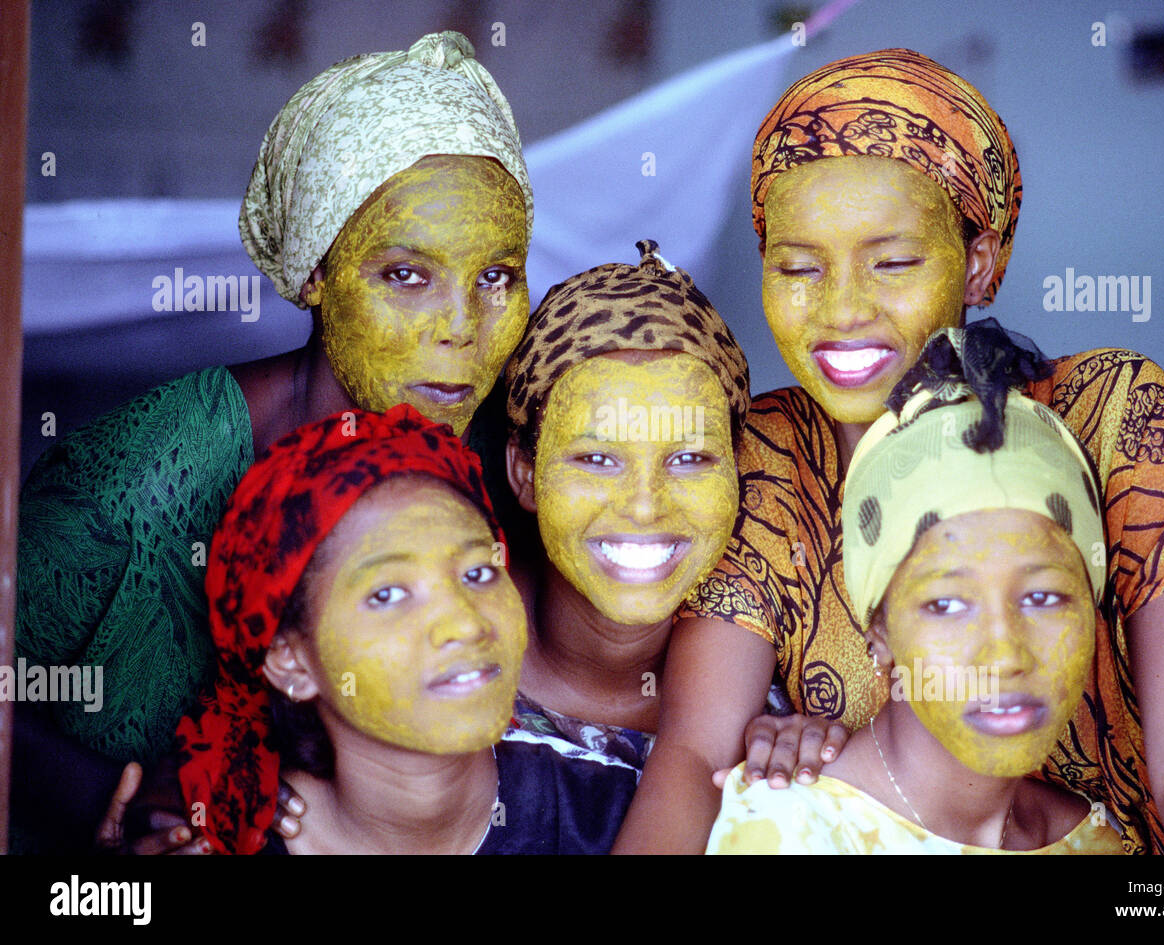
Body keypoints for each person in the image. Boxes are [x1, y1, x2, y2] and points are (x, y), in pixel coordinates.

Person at [617, 49, 1164, 854]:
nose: (842, 309)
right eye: (797, 267)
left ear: (981, 263)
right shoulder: (768, 456)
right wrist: (798, 752)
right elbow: (694, 755)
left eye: (892, 262)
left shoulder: (1111, 417)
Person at [13, 32, 533, 852]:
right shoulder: (155, 472)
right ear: (314, 273)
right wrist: (104, 803)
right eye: (406, 274)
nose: (463, 329)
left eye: (498, 276)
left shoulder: (511, 454)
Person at [709, 327, 1124, 854]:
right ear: (877, 630)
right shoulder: (788, 829)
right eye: (946, 604)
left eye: (1042, 597)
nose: (1003, 654)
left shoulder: (1098, 839)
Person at [173, 405, 637, 854]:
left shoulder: (621, 819)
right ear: (290, 661)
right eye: (388, 594)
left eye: (478, 574)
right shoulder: (217, 841)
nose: (465, 622)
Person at [501, 240, 752, 767]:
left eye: (688, 458)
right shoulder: (443, 657)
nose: (644, 508)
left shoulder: (779, 684)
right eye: (596, 459)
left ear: (738, 468)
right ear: (525, 473)